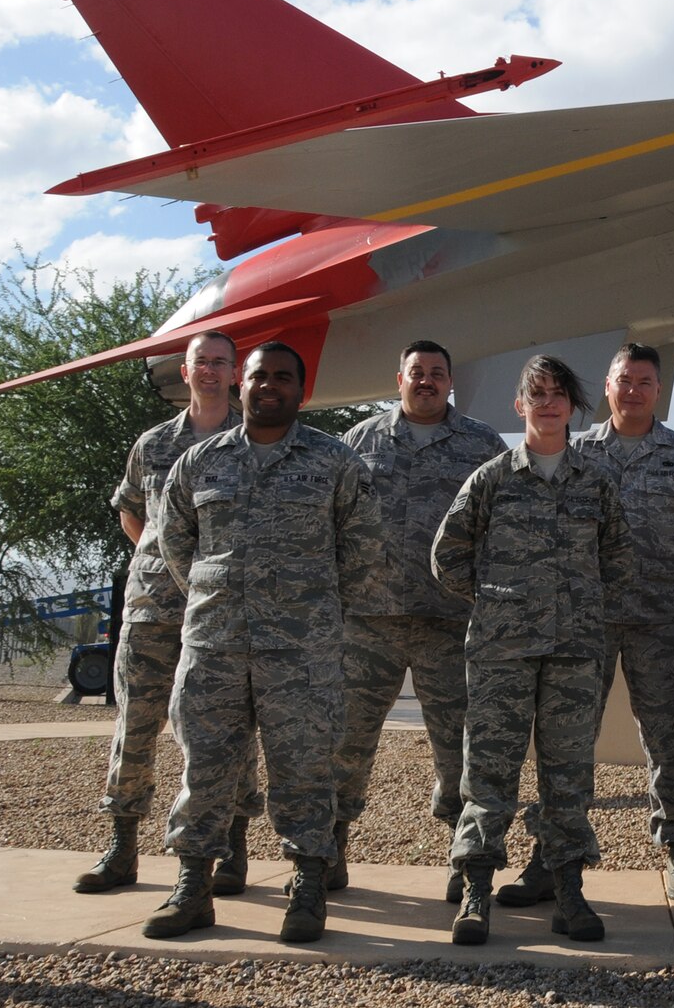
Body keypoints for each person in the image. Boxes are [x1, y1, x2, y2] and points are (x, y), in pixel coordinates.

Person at [147, 342, 383, 944]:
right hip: (214, 646)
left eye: (282, 377)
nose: (269, 385)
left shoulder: (335, 463)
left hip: (301, 652)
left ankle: (307, 887)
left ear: (301, 391)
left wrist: (314, 612)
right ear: (241, 384)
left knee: (304, 769)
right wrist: (218, 598)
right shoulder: (200, 463)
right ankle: (193, 888)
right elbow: (176, 544)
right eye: (258, 376)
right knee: (206, 769)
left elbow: (362, 550)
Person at [500, 342, 674, 909]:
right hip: (583, 626)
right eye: (624, 380)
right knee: (567, 743)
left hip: (658, 622)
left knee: (669, 742)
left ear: (658, 389)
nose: (633, 390)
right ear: (608, 385)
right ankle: (549, 857)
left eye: (644, 381)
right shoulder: (579, 452)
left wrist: (672, 588)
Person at [431, 355, 632, 946]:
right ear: (519, 405)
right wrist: (497, 602)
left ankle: (568, 892)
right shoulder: (493, 478)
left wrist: (582, 605)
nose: (547, 403)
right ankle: (476, 892)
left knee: (568, 775)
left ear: (573, 407)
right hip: (502, 653)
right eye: (536, 394)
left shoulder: (596, 482)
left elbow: (620, 560)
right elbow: (447, 555)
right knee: (489, 773)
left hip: (574, 652)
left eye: (557, 394)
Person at [77, 332, 263, 899]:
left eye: (220, 362)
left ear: (235, 373)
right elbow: (132, 512)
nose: (210, 371)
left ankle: (231, 847)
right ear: (185, 372)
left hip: (223, 611)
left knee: (229, 730)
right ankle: (122, 847)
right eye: (200, 362)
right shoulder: (154, 443)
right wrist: (161, 558)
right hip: (153, 609)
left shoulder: (254, 440)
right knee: (136, 725)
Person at [332, 341, 504, 901]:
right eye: (416, 372)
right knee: (346, 741)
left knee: (459, 748)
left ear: (451, 382)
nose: (426, 381)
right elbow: (330, 521)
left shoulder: (482, 444)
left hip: (449, 621)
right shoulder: (358, 441)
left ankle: (463, 854)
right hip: (367, 621)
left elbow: (502, 526)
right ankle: (328, 847)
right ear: (399, 378)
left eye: (436, 373)